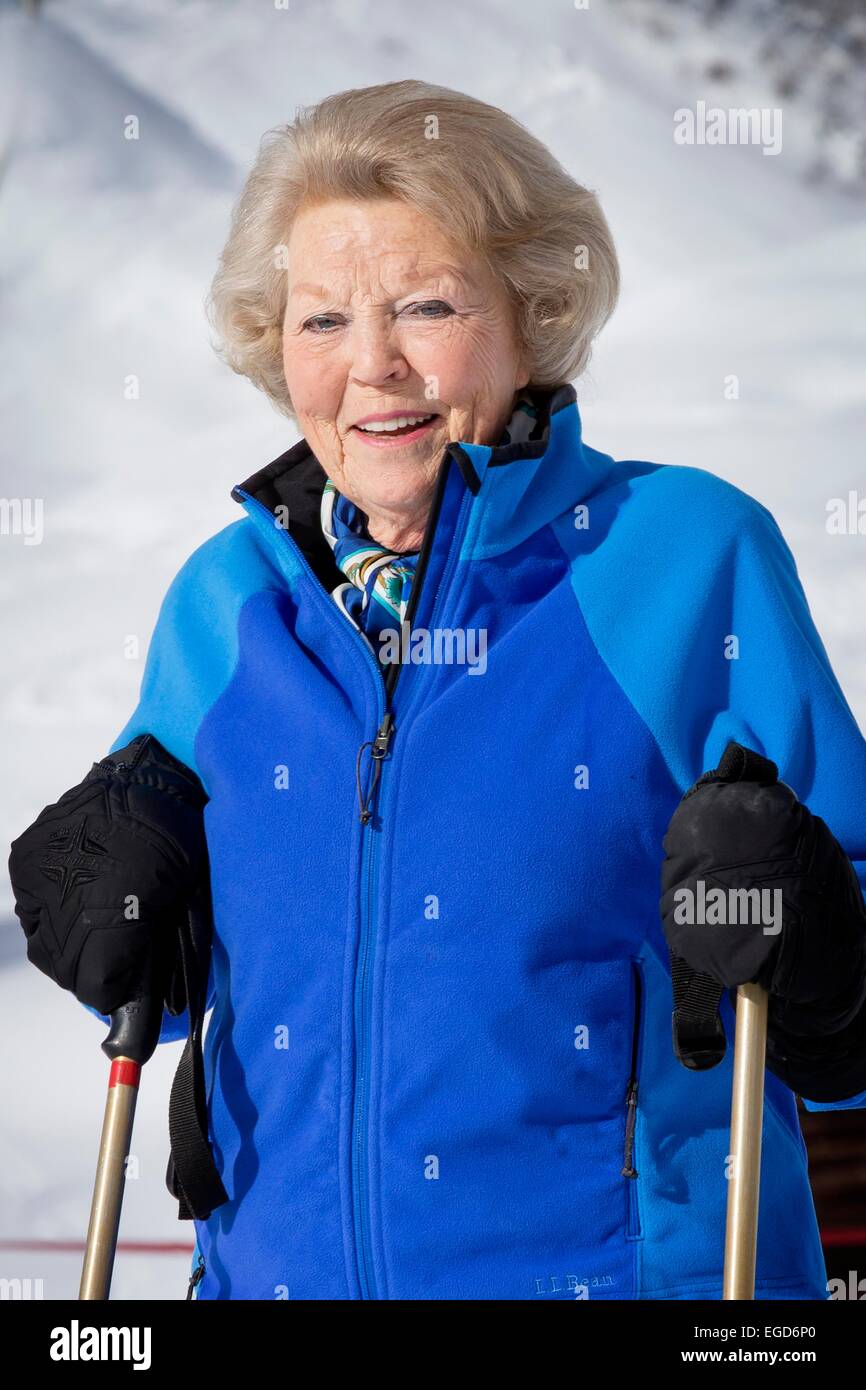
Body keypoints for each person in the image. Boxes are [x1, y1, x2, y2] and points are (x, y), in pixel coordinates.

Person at [9, 79, 866, 1302]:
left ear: (532, 312)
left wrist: (827, 953)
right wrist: (111, 894)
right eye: (320, 322)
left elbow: (852, 999)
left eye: (427, 305)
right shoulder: (226, 601)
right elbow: (170, 929)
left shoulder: (682, 559)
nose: (372, 366)